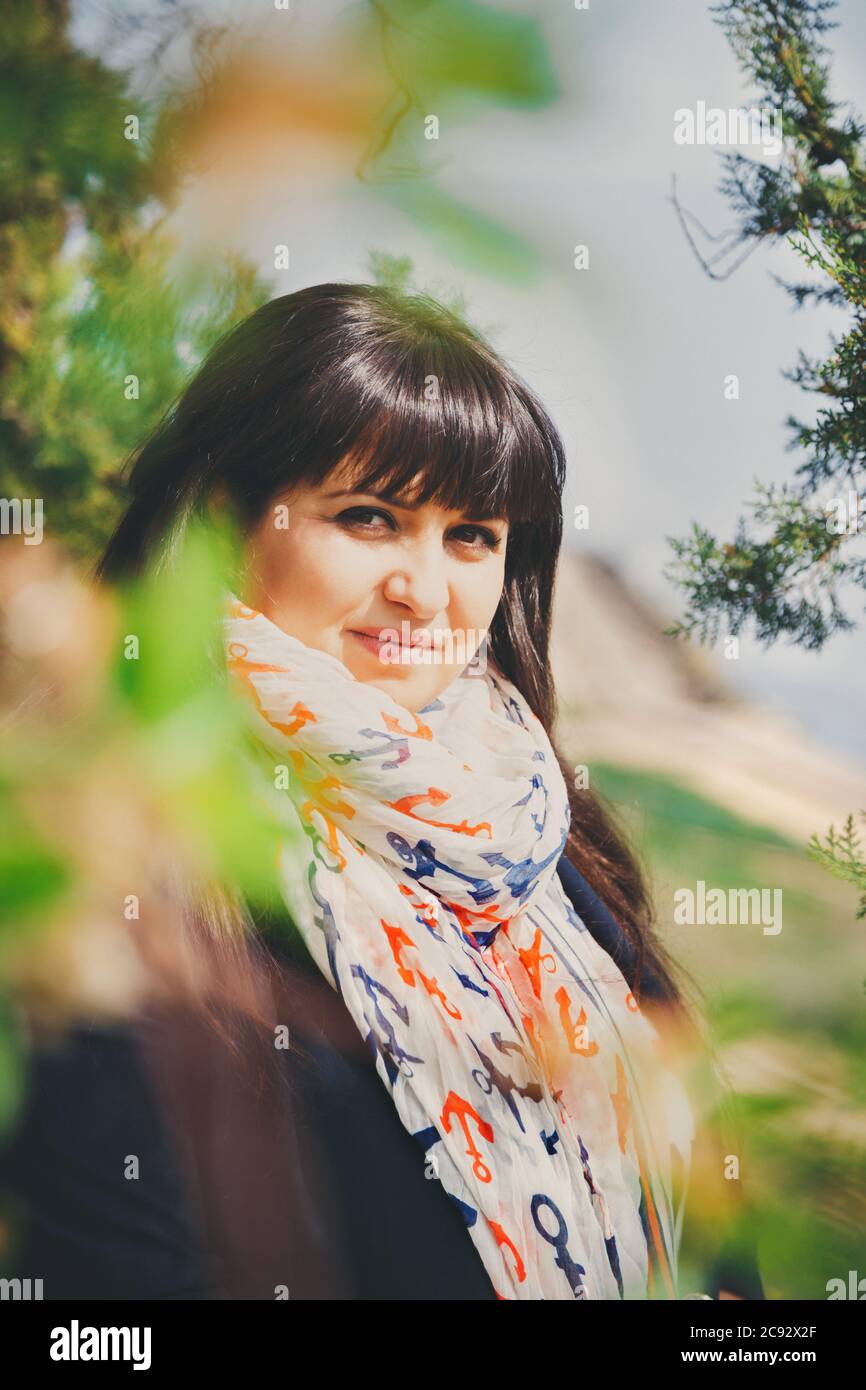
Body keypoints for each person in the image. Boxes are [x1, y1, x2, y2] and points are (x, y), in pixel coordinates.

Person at [0, 283, 762, 1300]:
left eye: (471, 536)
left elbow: (701, 1206)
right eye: (368, 516)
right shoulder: (120, 860)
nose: (424, 586)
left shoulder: (537, 825)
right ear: (225, 520)